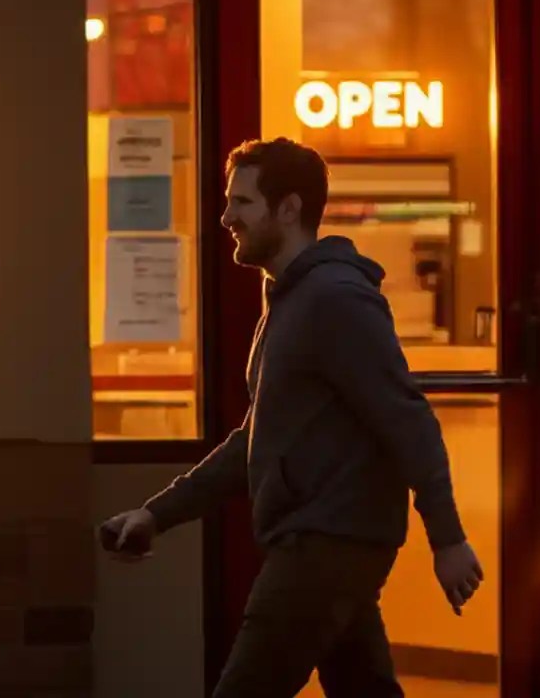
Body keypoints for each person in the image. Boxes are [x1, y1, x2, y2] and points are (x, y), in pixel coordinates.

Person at [99, 138, 484, 697]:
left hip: (326, 545)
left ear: (289, 209)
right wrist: (157, 514)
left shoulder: (335, 300)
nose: (227, 217)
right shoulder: (288, 301)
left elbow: (407, 419)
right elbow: (256, 438)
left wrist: (447, 538)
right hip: (326, 540)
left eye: (242, 203)